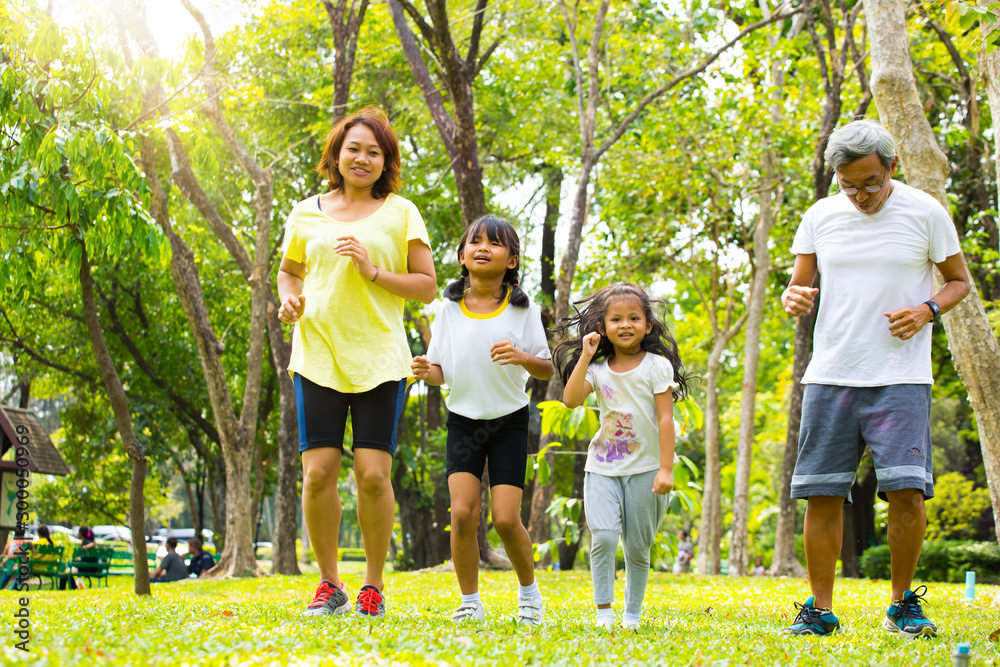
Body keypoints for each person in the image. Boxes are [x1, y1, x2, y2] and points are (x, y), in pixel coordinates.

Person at [781, 119, 971, 637]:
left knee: (907, 492)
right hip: (832, 373)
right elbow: (798, 286)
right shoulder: (820, 215)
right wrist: (791, 297)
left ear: (892, 166)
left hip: (901, 377)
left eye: (869, 183)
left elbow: (959, 282)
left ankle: (902, 603)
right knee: (822, 493)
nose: (859, 195)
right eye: (848, 185)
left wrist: (927, 310)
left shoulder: (926, 212)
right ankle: (820, 609)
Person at [277, 106, 436, 619]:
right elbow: (289, 273)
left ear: (385, 159)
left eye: (374, 151)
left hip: (380, 360)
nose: (362, 157)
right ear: (336, 155)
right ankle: (328, 584)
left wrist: (372, 272)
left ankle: (372, 585)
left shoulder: (402, 212)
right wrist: (290, 300)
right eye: (354, 149)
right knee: (318, 474)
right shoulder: (306, 212)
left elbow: (426, 284)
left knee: (372, 475)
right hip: (317, 353)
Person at [410, 215, 554, 626]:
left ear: (511, 260)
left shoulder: (525, 310)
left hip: (509, 421)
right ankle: (469, 601)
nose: (483, 248)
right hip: (463, 421)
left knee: (506, 519)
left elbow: (544, 368)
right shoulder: (448, 308)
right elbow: (440, 371)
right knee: (462, 514)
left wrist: (522, 357)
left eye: (494, 243)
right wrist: (425, 370)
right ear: (461, 256)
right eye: (475, 242)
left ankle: (530, 596)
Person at [556, 283, 691, 630]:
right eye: (616, 319)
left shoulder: (657, 366)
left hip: (647, 469)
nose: (625, 324)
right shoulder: (598, 369)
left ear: (648, 325)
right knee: (602, 536)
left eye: (634, 317)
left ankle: (631, 614)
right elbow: (570, 400)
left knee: (637, 546)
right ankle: (604, 612)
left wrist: (665, 469)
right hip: (602, 466)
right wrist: (586, 356)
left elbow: (665, 418)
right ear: (602, 328)